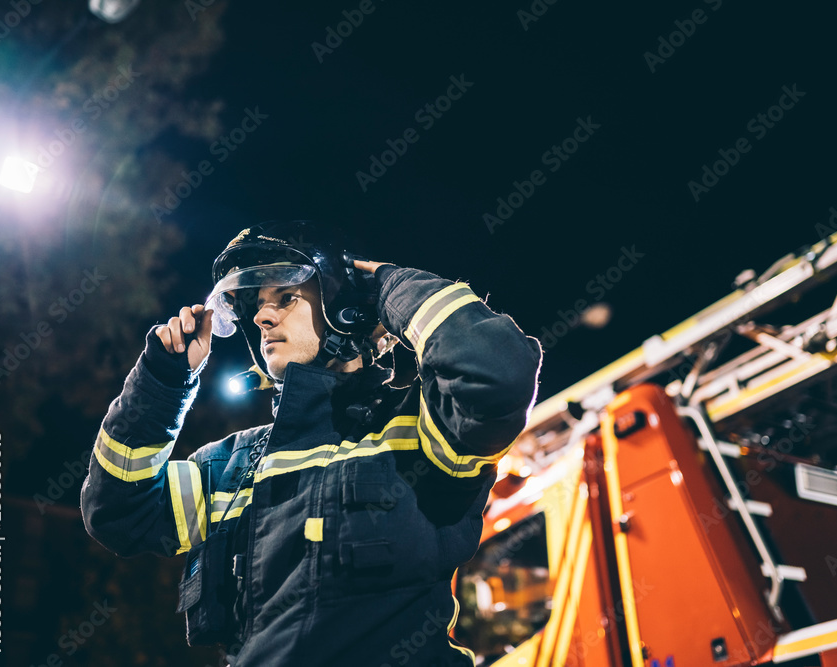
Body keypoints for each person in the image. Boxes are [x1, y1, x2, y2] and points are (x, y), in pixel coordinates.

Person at [79, 220, 543, 666]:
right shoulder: (233, 467)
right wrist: (161, 383)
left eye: (285, 297)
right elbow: (118, 509)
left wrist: (384, 286)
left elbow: (497, 375)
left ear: (347, 309)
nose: (261, 316)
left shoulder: (420, 430)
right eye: (257, 303)